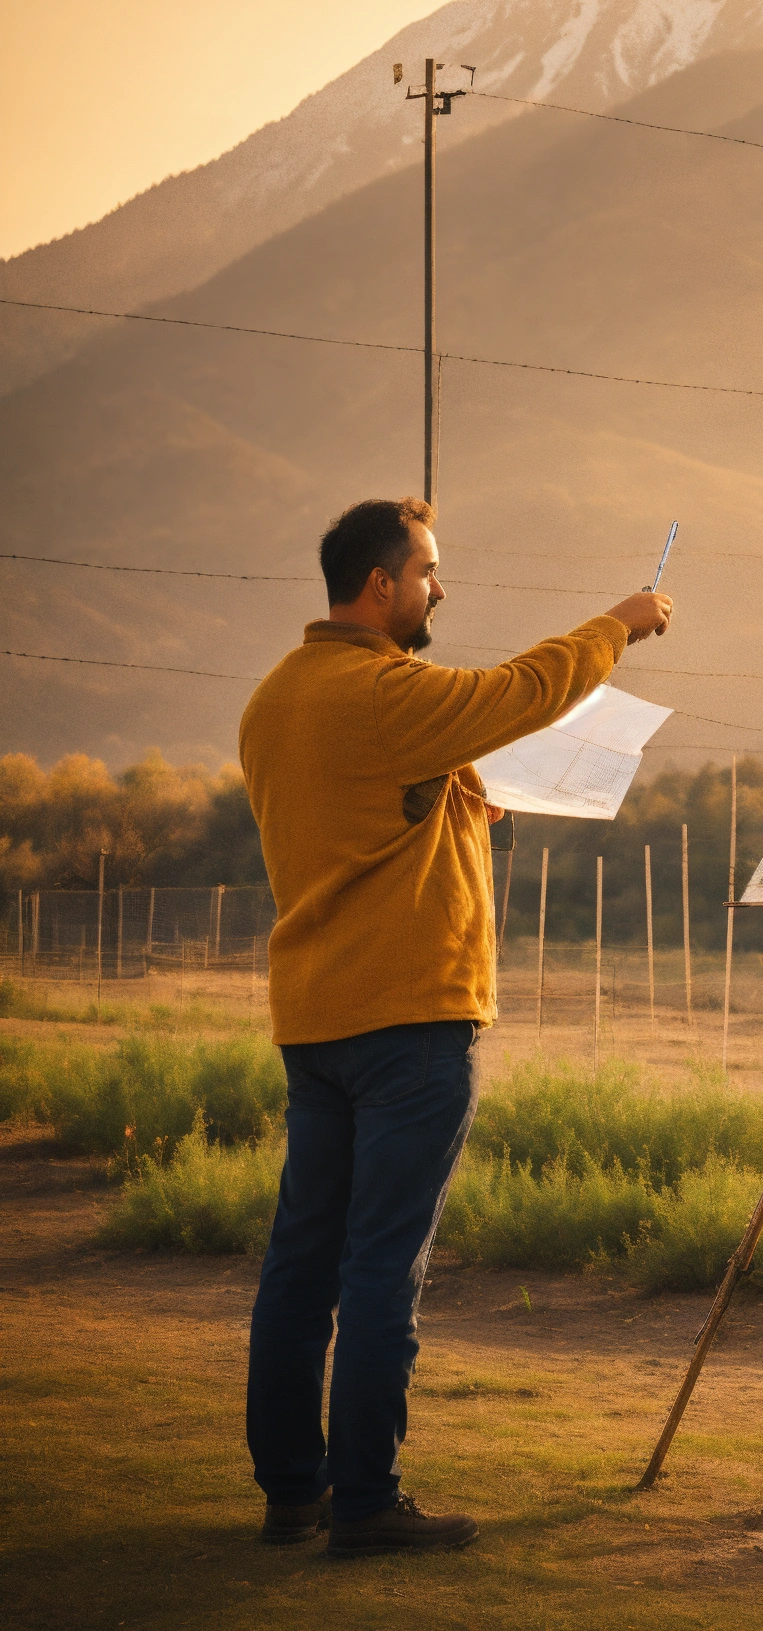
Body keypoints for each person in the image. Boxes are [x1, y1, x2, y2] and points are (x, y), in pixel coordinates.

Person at [239, 496, 672, 1556]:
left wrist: (454, 800)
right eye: (429, 571)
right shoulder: (383, 689)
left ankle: (292, 1491)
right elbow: (518, 693)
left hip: (316, 1018)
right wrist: (617, 624)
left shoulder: (274, 700)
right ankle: (368, 1502)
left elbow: (358, 818)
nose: (442, 588)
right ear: (380, 586)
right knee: (384, 1265)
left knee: (302, 1263)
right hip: (409, 1020)